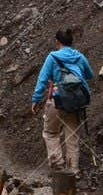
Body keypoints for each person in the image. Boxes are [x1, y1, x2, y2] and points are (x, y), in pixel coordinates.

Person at [31, 30, 95, 175]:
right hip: (76, 102)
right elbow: (89, 75)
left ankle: (58, 167)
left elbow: (42, 80)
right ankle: (73, 170)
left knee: (50, 132)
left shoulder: (52, 57)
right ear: (71, 42)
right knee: (72, 136)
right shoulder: (79, 56)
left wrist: (35, 100)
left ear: (57, 42)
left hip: (57, 100)